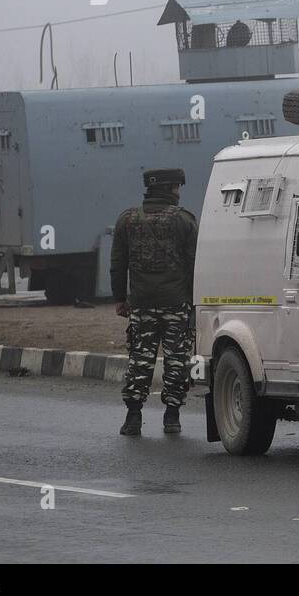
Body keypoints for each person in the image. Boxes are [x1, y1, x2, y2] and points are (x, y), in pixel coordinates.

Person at [111, 168, 198, 435]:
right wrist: (194, 302)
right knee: (176, 360)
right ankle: (172, 417)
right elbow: (194, 264)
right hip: (176, 303)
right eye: (177, 187)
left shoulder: (127, 219)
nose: (179, 192)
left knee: (140, 359)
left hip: (141, 303)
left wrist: (120, 299)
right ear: (170, 189)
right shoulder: (184, 220)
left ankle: (133, 417)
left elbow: (118, 263)